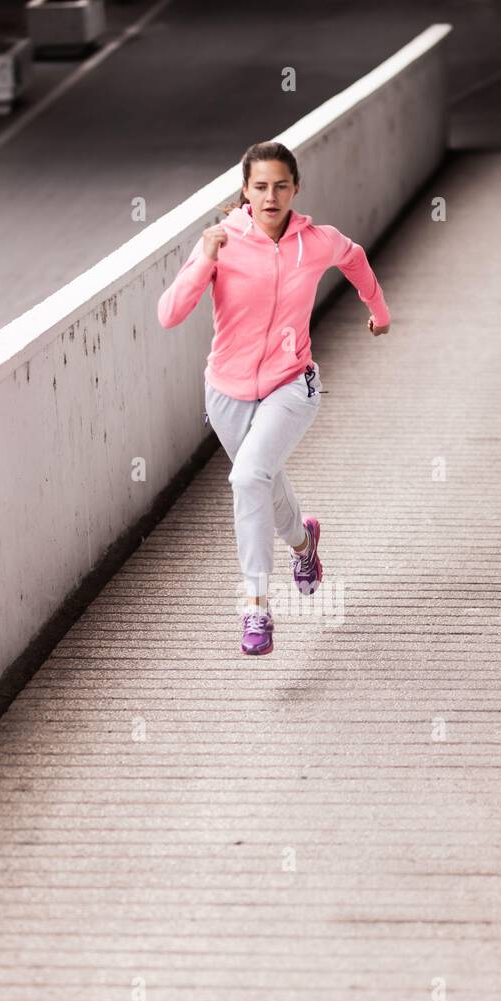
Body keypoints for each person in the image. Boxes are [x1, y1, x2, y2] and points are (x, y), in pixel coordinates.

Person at [157, 140, 390, 656]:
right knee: (263, 478)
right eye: (260, 186)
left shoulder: (315, 241)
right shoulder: (221, 242)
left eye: (280, 185)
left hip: (292, 382)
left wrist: (378, 309)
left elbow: (354, 258)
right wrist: (204, 260)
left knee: (247, 476)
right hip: (226, 392)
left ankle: (256, 607)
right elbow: (169, 313)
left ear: (296, 188)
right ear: (245, 190)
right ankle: (304, 543)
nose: (270, 195)